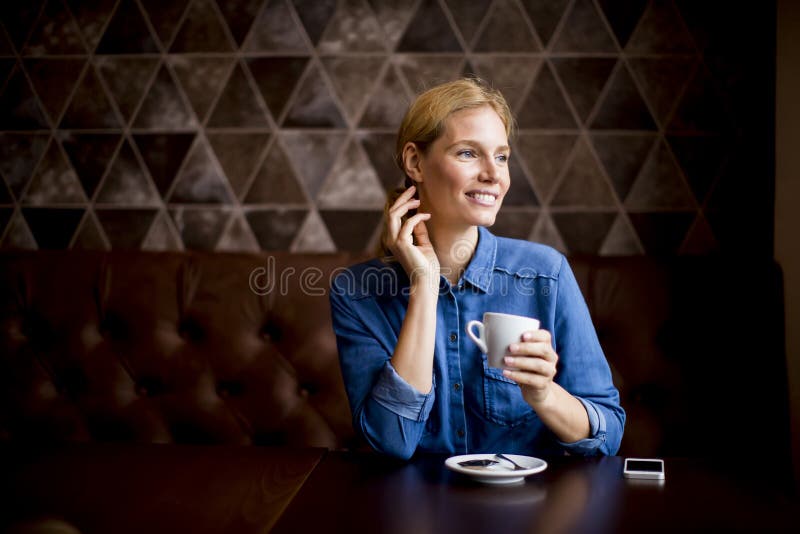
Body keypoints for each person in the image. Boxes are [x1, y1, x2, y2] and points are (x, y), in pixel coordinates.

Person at [329, 78, 624, 460]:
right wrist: (424, 285)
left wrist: (545, 395)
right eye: (468, 153)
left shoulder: (545, 274)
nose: (494, 175)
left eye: (501, 156)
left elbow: (609, 434)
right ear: (415, 162)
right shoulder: (357, 293)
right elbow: (390, 442)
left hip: (525, 513)